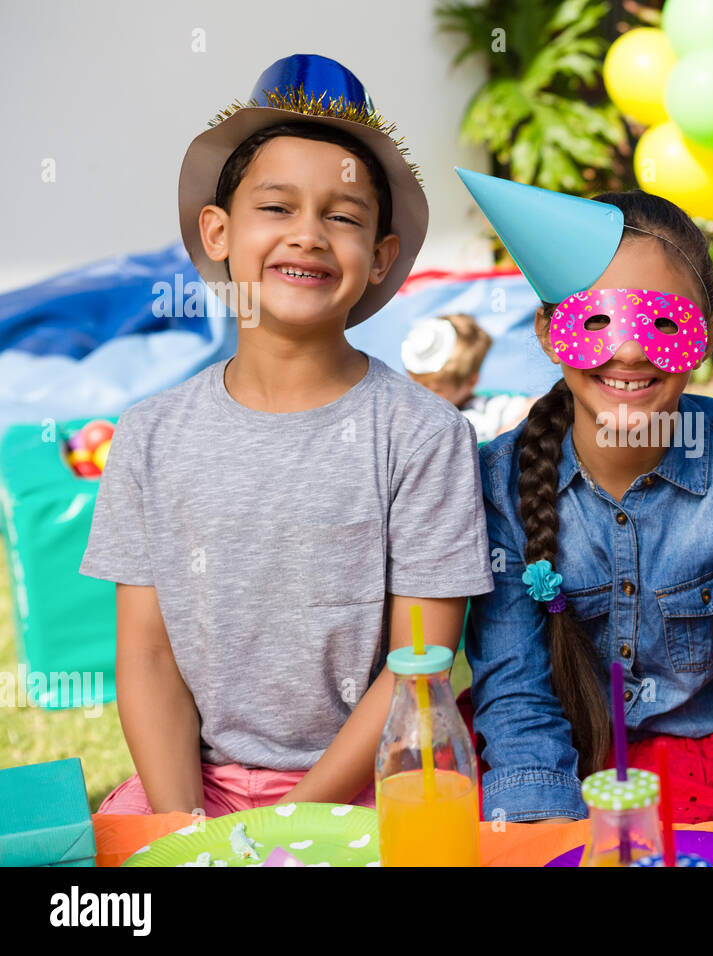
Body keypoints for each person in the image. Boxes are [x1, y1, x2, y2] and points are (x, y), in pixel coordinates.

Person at [82, 55, 493, 817]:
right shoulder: (149, 435)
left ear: (380, 258)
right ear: (217, 232)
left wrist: (291, 830)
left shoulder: (424, 435)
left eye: (342, 216)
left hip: (375, 784)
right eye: (277, 207)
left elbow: (421, 665)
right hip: (195, 789)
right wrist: (187, 831)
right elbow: (147, 655)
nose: (308, 235)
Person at [457, 169, 713, 823]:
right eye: (597, 320)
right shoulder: (500, 480)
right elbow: (516, 691)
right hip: (550, 754)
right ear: (552, 333)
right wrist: (546, 829)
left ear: (709, 340)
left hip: (700, 753)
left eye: (663, 322)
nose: (630, 351)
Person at [402, 312, 535, 443]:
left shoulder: (485, 412)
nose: (420, 395)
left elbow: (535, 405)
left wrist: (506, 435)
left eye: (436, 389)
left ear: (471, 382)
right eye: (414, 384)